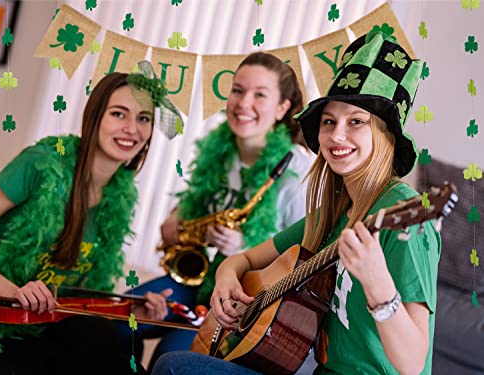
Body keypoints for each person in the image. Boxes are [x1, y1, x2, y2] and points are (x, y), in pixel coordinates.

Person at [151, 30, 441, 375]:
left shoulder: (405, 214)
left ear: (387, 135)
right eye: (329, 121)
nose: (336, 135)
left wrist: (378, 283)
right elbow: (244, 259)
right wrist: (227, 275)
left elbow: (413, 364)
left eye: (357, 122)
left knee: (175, 367)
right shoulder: (331, 214)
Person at [0, 61, 182, 375]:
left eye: (143, 118)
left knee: (118, 342)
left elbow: (80, 298)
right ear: (95, 118)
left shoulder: (121, 196)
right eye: (119, 114)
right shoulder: (40, 164)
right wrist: (13, 291)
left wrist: (132, 308)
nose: (132, 128)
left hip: (51, 331)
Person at [124, 52, 314, 370]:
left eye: (259, 95)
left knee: (169, 359)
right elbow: (184, 211)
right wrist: (176, 225)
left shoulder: (296, 168)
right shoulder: (220, 150)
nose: (243, 103)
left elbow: (306, 260)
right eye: (237, 90)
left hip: (247, 302)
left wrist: (244, 249)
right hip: (204, 283)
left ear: (283, 108)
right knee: (117, 321)